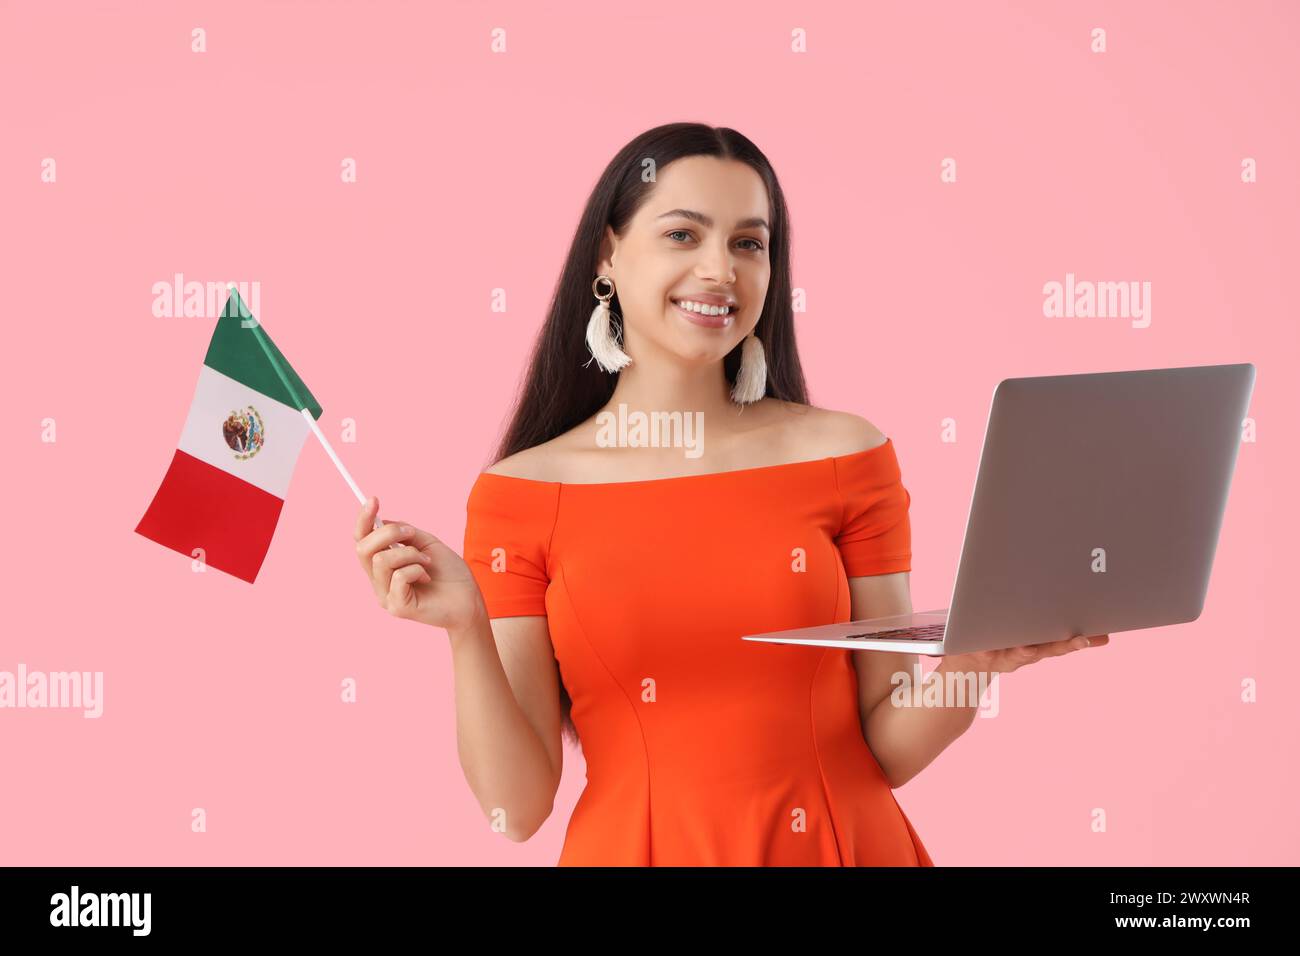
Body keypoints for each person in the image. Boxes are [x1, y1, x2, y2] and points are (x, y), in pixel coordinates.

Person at [352, 123, 1108, 866]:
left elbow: (889, 746)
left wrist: (976, 658)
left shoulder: (848, 455)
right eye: (684, 235)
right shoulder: (521, 495)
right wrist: (465, 628)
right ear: (607, 256)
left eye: (749, 243)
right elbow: (513, 811)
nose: (722, 270)